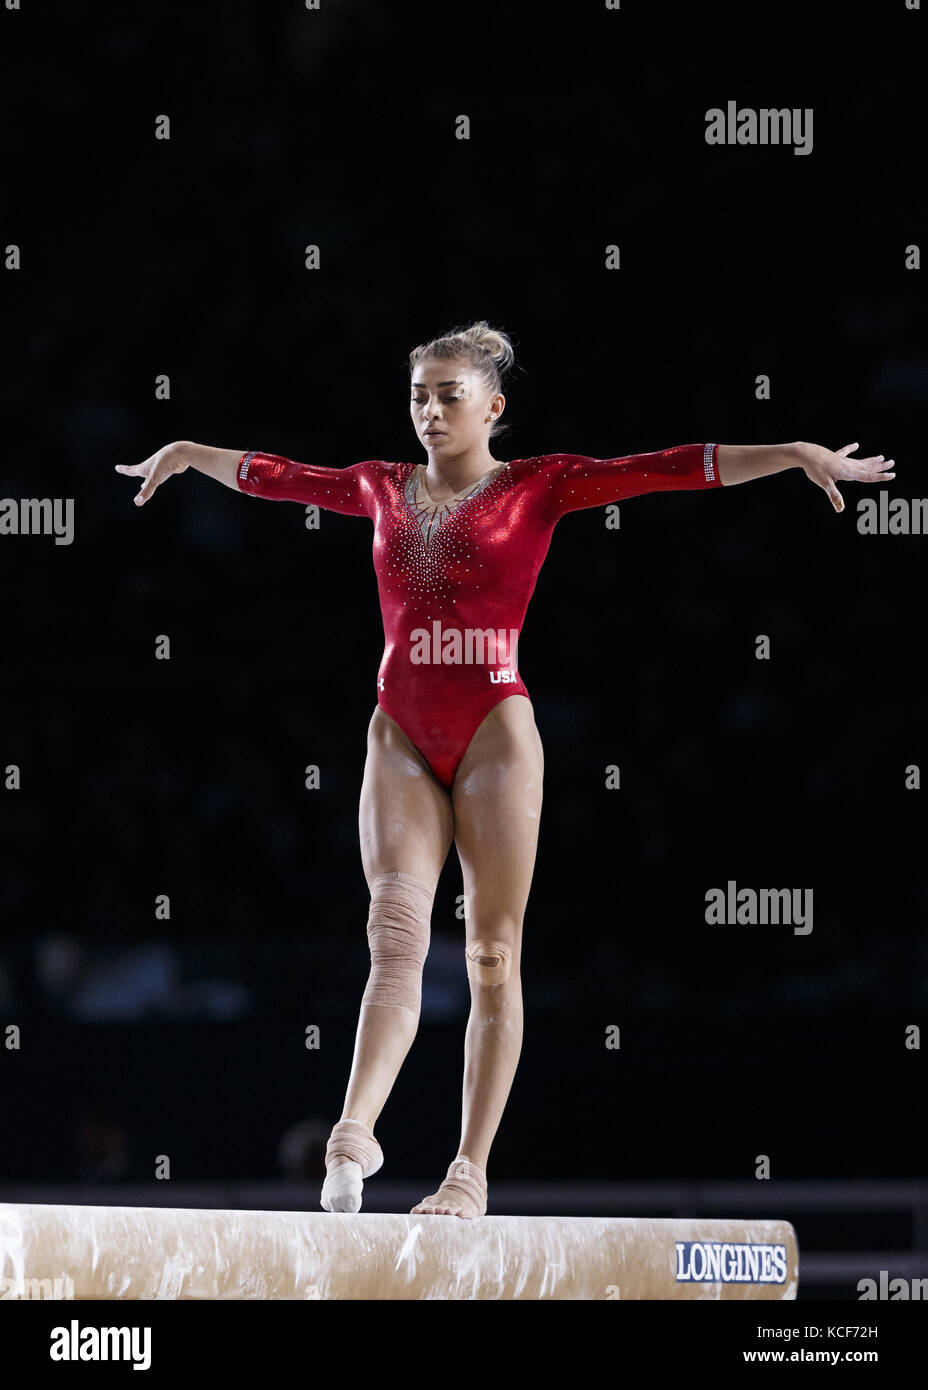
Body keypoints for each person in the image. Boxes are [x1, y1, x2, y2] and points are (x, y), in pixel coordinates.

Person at [116, 320, 894, 1218]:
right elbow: (277, 473)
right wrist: (186, 449)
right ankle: (353, 1132)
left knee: (490, 953)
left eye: (450, 394)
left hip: (493, 728)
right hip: (399, 729)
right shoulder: (381, 487)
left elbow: (672, 466)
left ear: (495, 406)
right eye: (419, 394)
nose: (431, 410)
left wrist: (792, 452)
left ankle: (468, 1171)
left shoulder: (541, 485)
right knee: (396, 937)